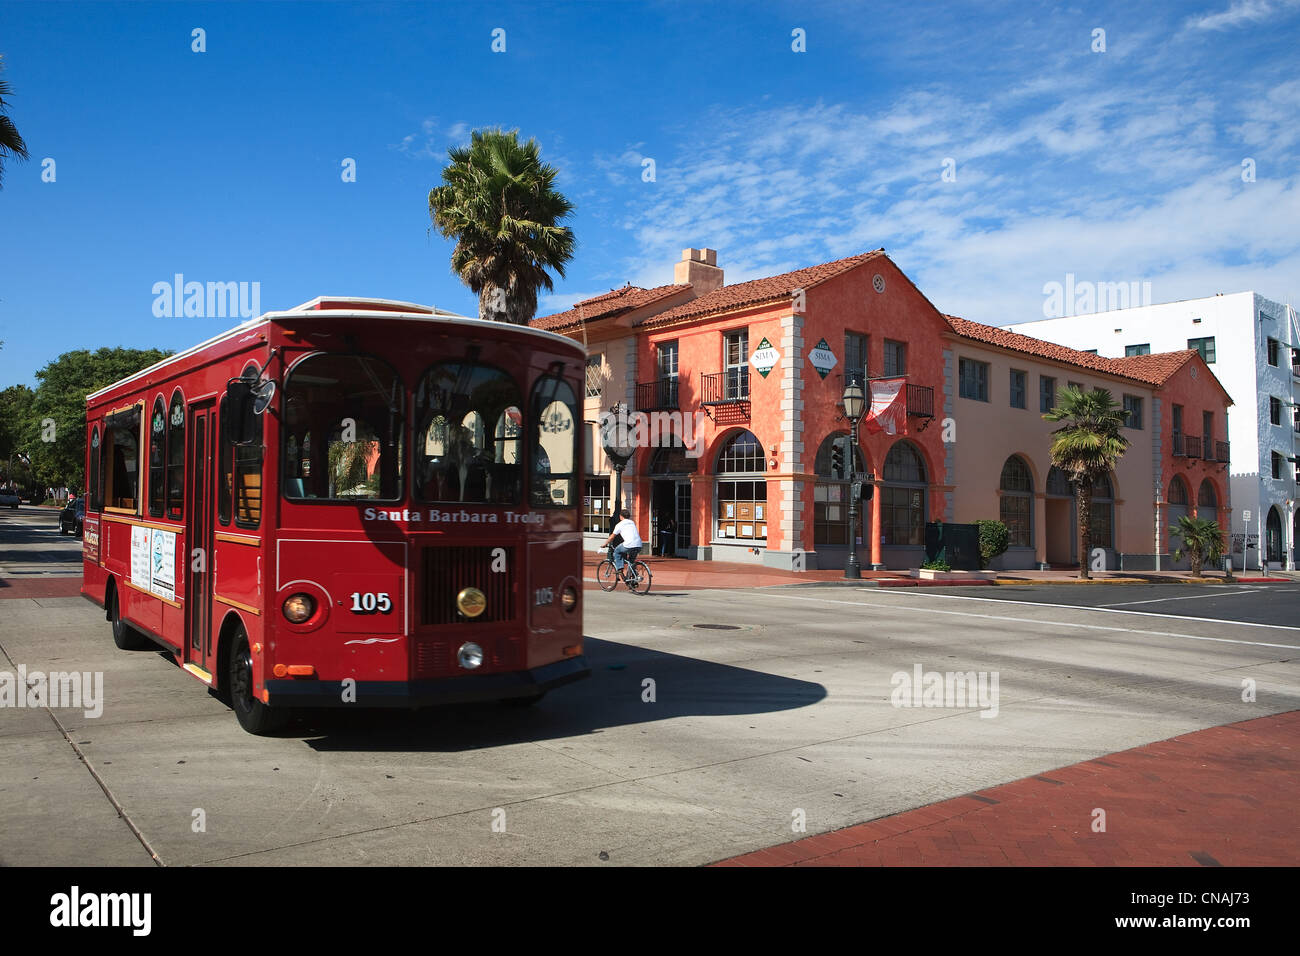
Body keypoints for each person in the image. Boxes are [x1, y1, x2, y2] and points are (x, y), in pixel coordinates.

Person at [602, 508, 643, 578]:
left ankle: (620, 569)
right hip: (639, 544)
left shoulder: (619, 524)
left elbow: (612, 536)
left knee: (617, 551)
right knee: (631, 561)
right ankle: (632, 579)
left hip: (629, 544)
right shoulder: (632, 522)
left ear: (621, 516)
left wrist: (605, 544)